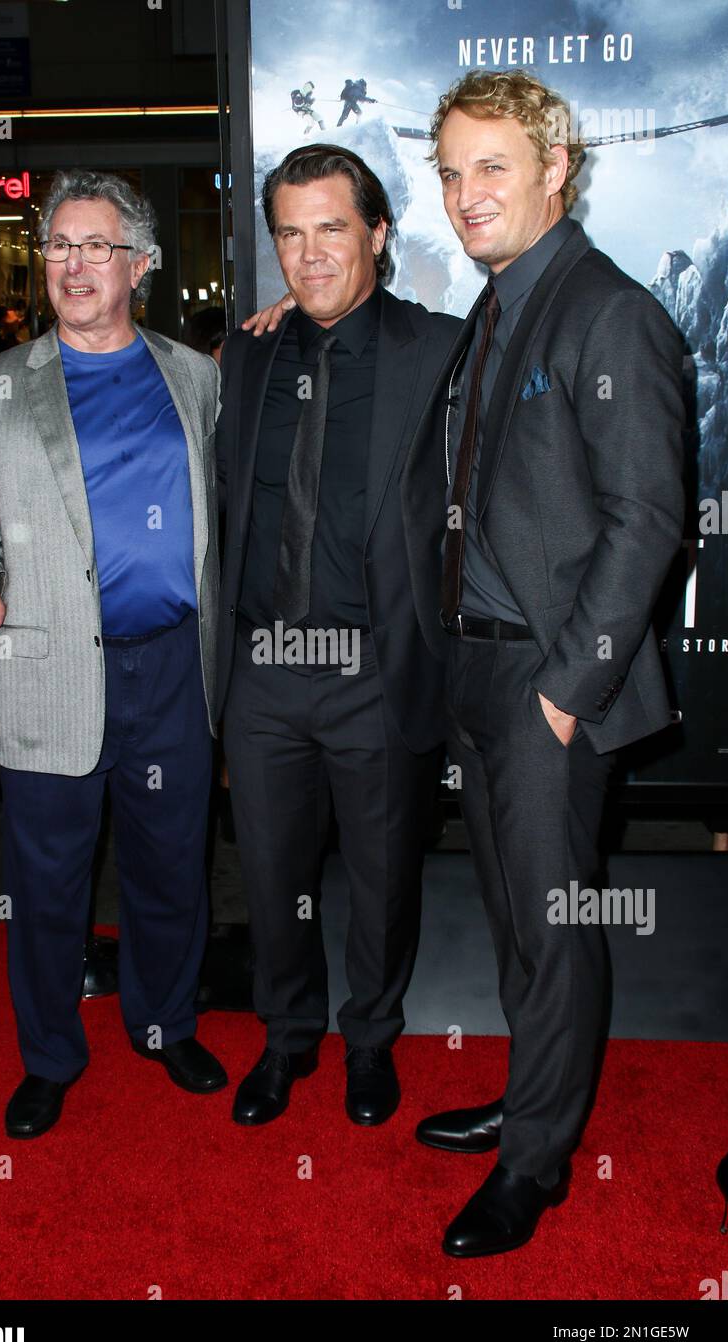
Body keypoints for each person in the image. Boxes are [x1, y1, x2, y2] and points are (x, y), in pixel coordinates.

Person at [414, 69, 685, 1257]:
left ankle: (534, 1163)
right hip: (476, 673)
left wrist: (565, 695)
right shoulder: (497, 302)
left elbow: (646, 520)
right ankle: (530, 1097)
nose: (465, 193)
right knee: (518, 921)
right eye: (449, 171)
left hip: (546, 682)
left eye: (491, 167)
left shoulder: (604, 309)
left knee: (555, 924)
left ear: (554, 168)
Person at [0, 169, 225, 1139]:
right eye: (59, 244)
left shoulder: (194, 376)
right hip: (47, 669)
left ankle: (163, 1023)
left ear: (140, 264)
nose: (73, 264)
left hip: (172, 668)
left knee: (170, 868)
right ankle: (50, 1056)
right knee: (47, 885)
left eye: (97, 245)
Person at [215, 145, 460, 1127]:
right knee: (271, 875)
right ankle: (285, 1038)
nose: (309, 252)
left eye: (331, 228)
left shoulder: (440, 349)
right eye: (289, 232)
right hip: (263, 670)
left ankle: (370, 1039)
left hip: (377, 669)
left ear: (377, 234)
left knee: (382, 878)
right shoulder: (248, 355)